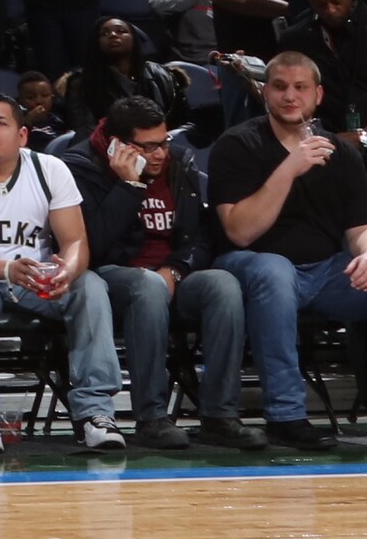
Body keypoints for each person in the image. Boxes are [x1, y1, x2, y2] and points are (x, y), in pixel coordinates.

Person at [207, 47, 367, 445]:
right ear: (265, 92)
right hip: (253, 268)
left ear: (318, 95)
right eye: (280, 87)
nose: (290, 96)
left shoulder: (340, 153)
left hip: (325, 273)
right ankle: (285, 415)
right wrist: (289, 168)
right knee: (274, 268)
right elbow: (240, 231)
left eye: (300, 87)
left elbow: (363, 226)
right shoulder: (237, 145)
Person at [0, 87, 117, 452]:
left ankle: (95, 413)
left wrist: (67, 270)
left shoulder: (50, 169)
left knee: (90, 285)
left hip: (34, 276)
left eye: (0, 122)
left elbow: (75, 241)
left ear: (22, 134)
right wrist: (7, 269)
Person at [66, 97, 246, 446]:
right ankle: (151, 417)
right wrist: (129, 186)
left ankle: (220, 415)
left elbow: (202, 237)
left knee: (223, 285)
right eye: (148, 147)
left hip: (170, 276)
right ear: (116, 144)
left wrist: (175, 269)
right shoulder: (80, 167)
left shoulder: (178, 163)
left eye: (163, 142)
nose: (161, 154)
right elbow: (92, 246)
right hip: (110, 279)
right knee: (147, 285)